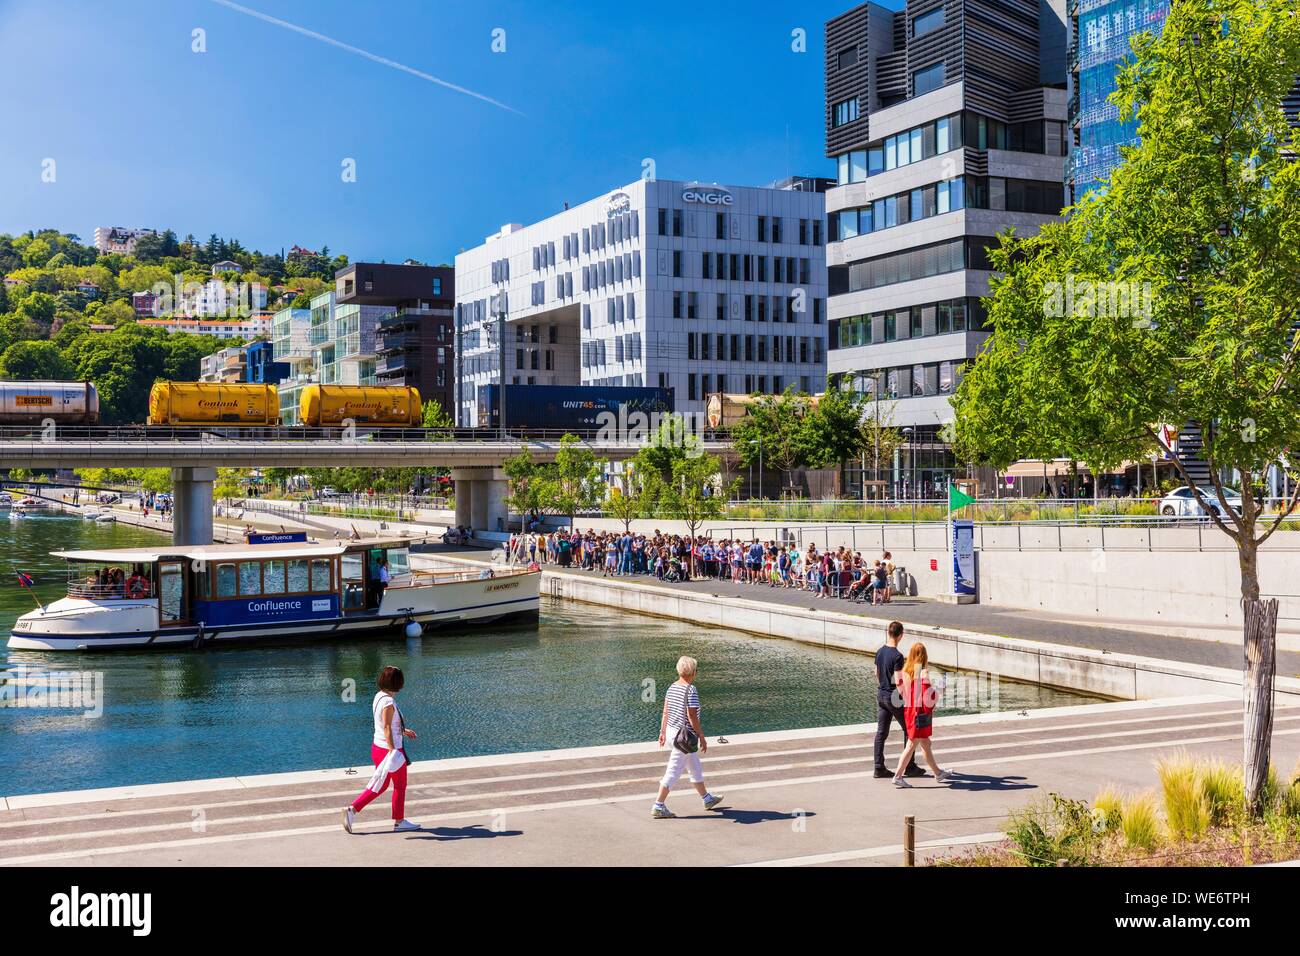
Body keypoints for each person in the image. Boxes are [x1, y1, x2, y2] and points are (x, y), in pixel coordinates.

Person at [343, 666, 420, 833]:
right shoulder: (389, 702)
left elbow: (386, 724)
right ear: (398, 683)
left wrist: (403, 731)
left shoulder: (379, 697)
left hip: (378, 748)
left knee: (381, 784)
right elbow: (386, 727)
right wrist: (393, 751)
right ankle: (399, 822)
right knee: (400, 786)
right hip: (390, 751)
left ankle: (352, 810)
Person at [652, 656, 724, 818]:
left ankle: (707, 799)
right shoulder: (691, 690)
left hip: (672, 733)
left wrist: (662, 732)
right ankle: (658, 805)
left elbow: (665, 712)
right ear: (693, 673)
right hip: (684, 738)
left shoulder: (672, 687)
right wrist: (702, 736)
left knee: (694, 765)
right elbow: (692, 716)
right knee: (673, 771)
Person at [891, 642, 955, 788]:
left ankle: (938, 773)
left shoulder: (905, 671)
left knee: (925, 743)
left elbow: (902, 692)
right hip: (919, 714)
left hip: (909, 711)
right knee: (912, 744)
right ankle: (898, 775)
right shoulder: (923, 672)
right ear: (924, 656)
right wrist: (941, 688)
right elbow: (930, 697)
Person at [873, 622, 923, 779]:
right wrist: (908, 698)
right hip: (894, 697)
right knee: (910, 730)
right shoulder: (897, 656)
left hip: (881, 694)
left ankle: (878, 767)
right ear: (901, 635)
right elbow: (900, 681)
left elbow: (876, 673)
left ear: (888, 632)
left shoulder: (879, 651)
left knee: (881, 733)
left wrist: (883, 685)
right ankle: (910, 766)